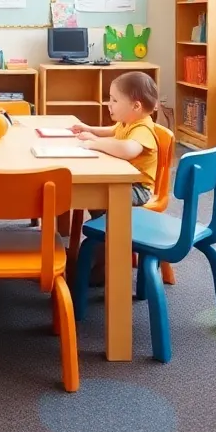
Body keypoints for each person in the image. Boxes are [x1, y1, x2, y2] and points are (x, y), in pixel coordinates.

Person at [70, 71, 160, 283]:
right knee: (98, 203)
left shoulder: (143, 128)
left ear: (135, 106)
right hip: (123, 181)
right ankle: (100, 249)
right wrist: (89, 129)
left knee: (99, 199)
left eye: (114, 100)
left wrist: (93, 143)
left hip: (138, 189)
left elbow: (128, 149)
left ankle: (103, 263)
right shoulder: (127, 123)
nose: (109, 104)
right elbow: (111, 132)